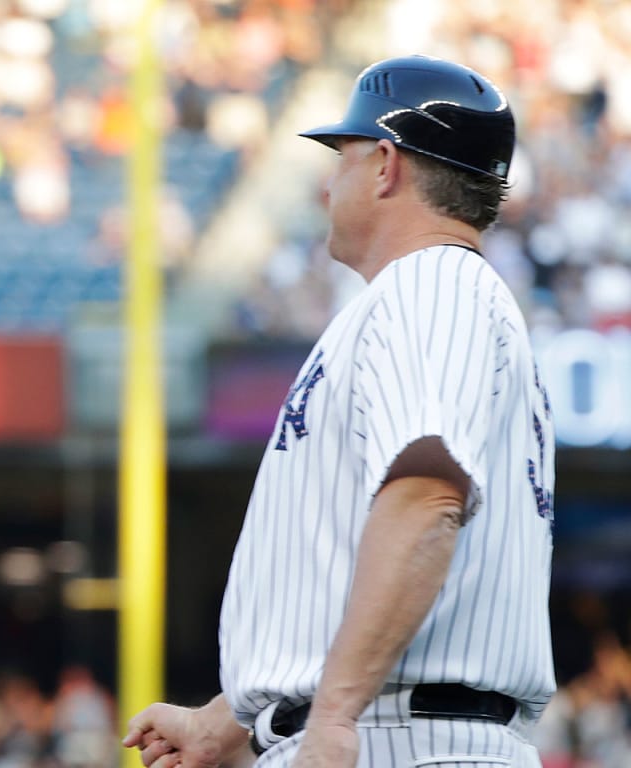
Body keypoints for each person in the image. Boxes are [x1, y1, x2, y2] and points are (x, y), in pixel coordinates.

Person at [124, 55, 556, 767]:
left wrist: (331, 717)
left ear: (386, 165)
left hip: (400, 740)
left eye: (343, 157)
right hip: (395, 729)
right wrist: (222, 724)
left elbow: (425, 501)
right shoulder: (435, 298)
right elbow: (337, 576)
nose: (329, 183)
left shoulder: (434, 286)